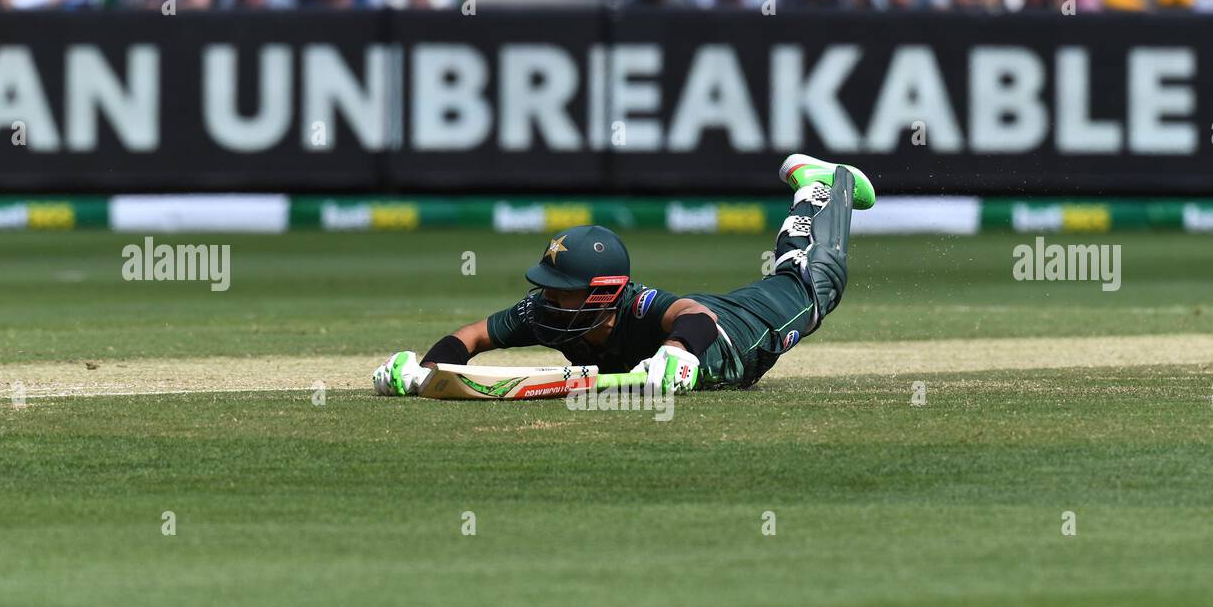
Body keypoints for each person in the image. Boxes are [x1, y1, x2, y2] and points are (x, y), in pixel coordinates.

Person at [372, 156, 876, 397]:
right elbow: (473, 336)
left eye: (562, 291)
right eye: (547, 287)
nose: (547, 299)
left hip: (735, 336)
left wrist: (677, 355)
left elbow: (691, 315)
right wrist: (422, 372)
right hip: (691, 334)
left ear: (605, 294)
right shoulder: (546, 316)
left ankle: (818, 187)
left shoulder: (637, 305)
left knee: (814, 282)